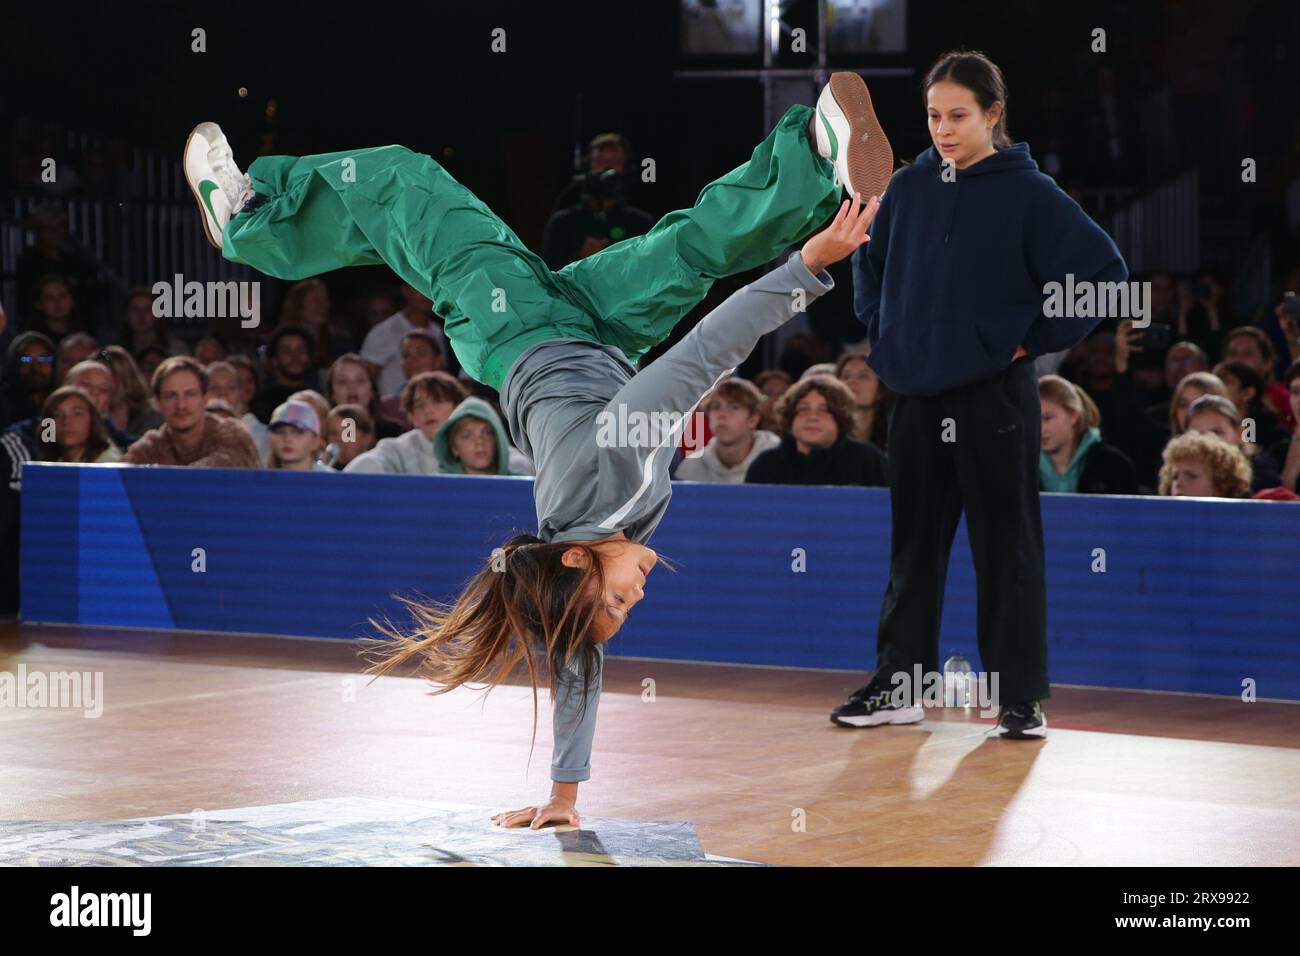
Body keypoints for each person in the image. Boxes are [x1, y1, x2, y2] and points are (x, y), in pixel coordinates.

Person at [184, 71, 888, 828]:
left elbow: (703, 357)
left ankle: (248, 218)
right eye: (624, 608)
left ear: (581, 560)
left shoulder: (606, 477)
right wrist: (563, 798)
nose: (638, 596)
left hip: (510, 326)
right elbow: (577, 659)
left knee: (405, 180)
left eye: (618, 599)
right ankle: (815, 158)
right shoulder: (591, 542)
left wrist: (807, 272)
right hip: (592, 326)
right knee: (687, 248)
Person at [834, 50, 1129, 739]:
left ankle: (1019, 698)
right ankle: (899, 687)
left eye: (958, 115)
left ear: (994, 115)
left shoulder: (1030, 192)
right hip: (914, 394)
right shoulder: (906, 187)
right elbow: (868, 265)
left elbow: (1105, 274)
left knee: (1007, 549)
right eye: (934, 114)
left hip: (993, 397)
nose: (943, 127)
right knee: (913, 549)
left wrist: (1026, 341)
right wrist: (883, 334)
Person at [745, 375, 889, 487]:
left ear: (841, 418)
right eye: (803, 408)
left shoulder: (868, 460)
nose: (812, 417)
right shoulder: (766, 464)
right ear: (790, 418)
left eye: (824, 410)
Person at [124, 356, 262, 468]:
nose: (181, 405)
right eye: (171, 396)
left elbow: (230, 466)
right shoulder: (149, 448)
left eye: (190, 394)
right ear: (158, 403)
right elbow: (118, 480)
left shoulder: (232, 435)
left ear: (206, 398)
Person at [344, 371, 469, 475]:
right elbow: (370, 462)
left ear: (457, 407)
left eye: (437, 401)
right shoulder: (398, 449)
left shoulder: (477, 442)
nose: (428, 410)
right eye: (420, 405)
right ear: (412, 417)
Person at [1037, 374, 1138, 494]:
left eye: (1047, 418)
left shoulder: (1114, 465)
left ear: (1073, 415)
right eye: (1032, 420)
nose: (1040, 429)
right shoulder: (1019, 468)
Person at [672, 378, 779, 483]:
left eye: (734, 407)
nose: (722, 415)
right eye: (716, 407)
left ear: (753, 419)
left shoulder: (779, 465)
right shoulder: (690, 470)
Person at [1184, 393, 1283, 493]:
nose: (1208, 441)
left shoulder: (1262, 473)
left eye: (1217, 432)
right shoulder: (1177, 473)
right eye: (1198, 435)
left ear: (1239, 434)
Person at [35, 386, 122, 463]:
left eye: (77, 413)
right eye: (57, 414)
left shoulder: (108, 465)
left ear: (92, 420)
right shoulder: (50, 461)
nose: (66, 421)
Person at [267, 399, 335, 472]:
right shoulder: (261, 481)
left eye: (298, 432)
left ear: (315, 441)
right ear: (270, 440)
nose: (287, 439)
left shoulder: (336, 481)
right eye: (279, 431)